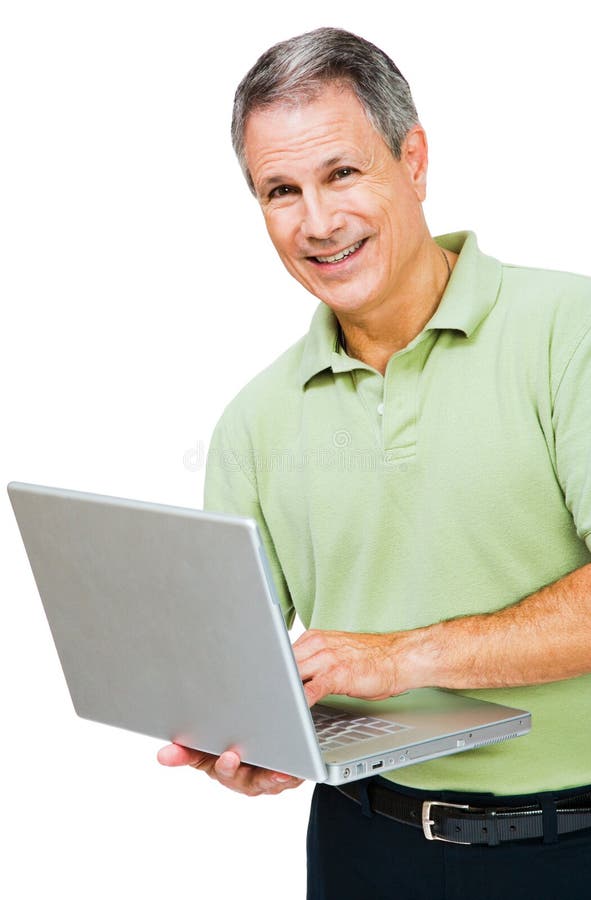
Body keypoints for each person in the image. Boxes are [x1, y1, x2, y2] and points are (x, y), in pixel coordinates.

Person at [158, 27, 591, 898]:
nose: (317, 223)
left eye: (341, 173)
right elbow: (232, 657)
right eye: (281, 190)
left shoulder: (566, 332)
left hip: (570, 844)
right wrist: (245, 743)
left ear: (414, 159)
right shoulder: (252, 421)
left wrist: (400, 658)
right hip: (362, 843)